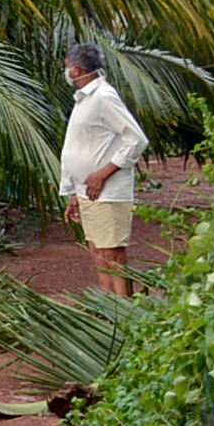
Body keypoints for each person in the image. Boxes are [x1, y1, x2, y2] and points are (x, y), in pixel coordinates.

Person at [60, 42, 148, 297]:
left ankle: (124, 312)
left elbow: (136, 140)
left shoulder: (103, 97)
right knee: (97, 250)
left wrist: (102, 175)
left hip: (107, 190)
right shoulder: (85, 99)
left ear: (76, 70)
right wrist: (76, 192)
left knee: (112, 253)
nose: (65, 72)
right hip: (89, 191)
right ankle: (109, 308)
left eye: (67, 67)